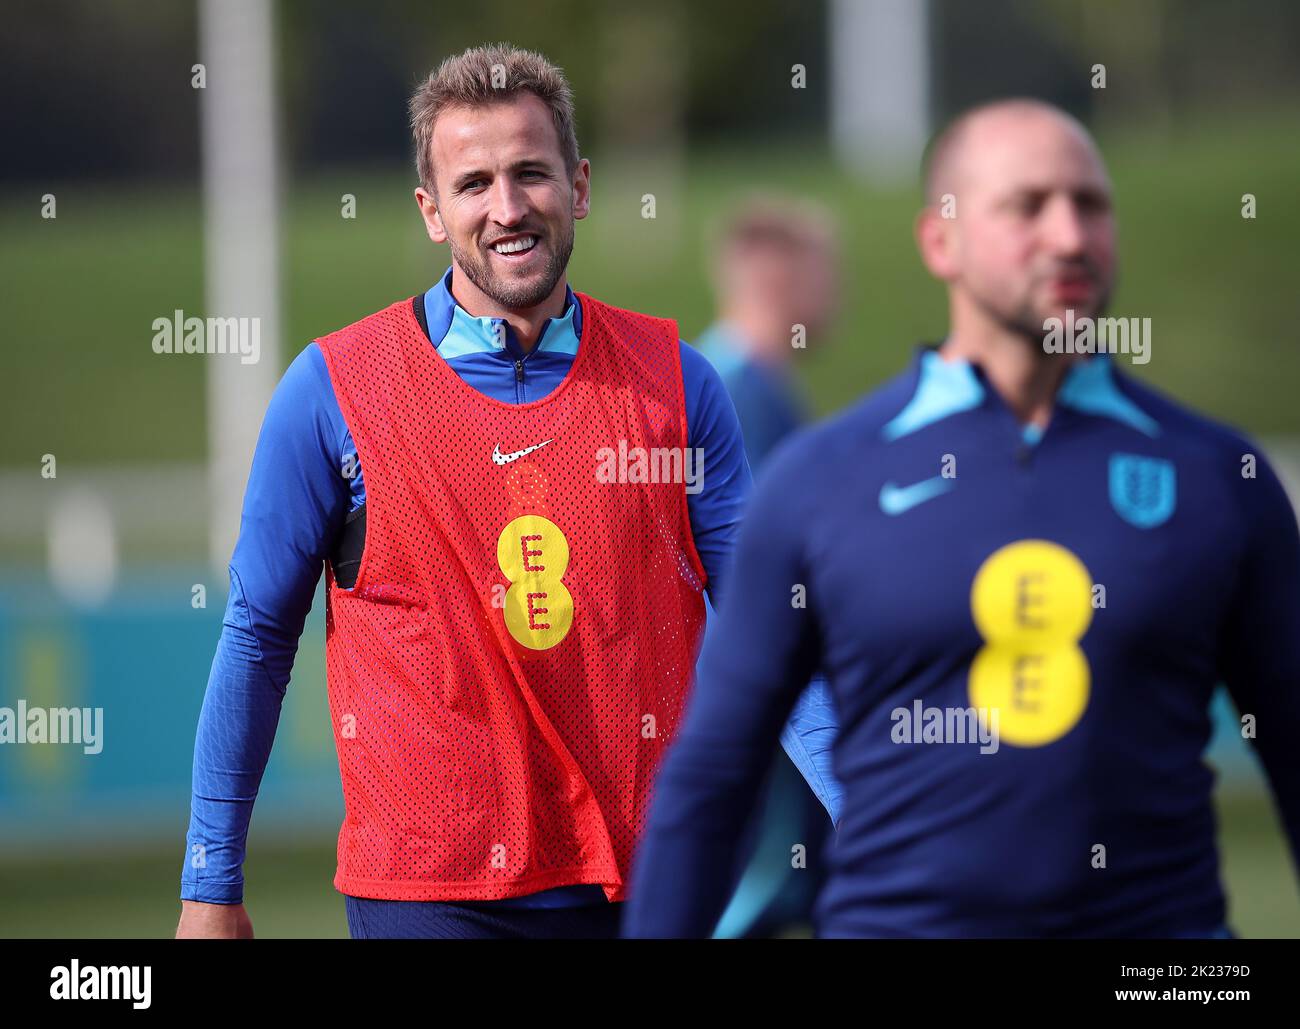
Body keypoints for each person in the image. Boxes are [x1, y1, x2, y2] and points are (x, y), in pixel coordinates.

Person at [624, 98, 1300, 938]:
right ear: (940, 241)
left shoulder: (1217, 478)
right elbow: (712, 775)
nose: (1068, 235)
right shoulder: (820, 482)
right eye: (1025, 206)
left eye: (1090, 204)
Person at [175, 43, 757, 940]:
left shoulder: (678, 385)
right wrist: (210, 885)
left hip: (649, 889)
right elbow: (257, 635)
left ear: (582, 185)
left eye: (531, 173)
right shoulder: (333, 390)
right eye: (474, 183)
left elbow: (771, 626)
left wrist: (875, 835)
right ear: (432, 212)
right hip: (430, 899)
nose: (508, 207)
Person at [695, 199, 842, 937]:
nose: (836, 293)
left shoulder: (751, 383)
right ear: (778, 277)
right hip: (757, 696)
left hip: (764, 692)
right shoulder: (733, 390)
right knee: (764, 882)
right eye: (825, 272)